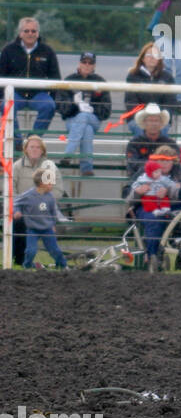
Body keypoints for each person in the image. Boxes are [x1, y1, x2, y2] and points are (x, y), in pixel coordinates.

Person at [0, 16, 60, 141]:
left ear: (38, 34)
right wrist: (2, 96)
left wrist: (52, 97)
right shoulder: (8, 50)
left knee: (49, 106)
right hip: (15, 93)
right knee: (5, 105)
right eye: (26, 31)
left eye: (33, 31)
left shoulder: (48, 51)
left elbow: (55, 77)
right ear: (20, 33)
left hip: (38, 94)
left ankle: (32, 140)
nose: (30, 34)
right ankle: (17, 141)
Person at [56, 51, 112, 175]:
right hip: (72, 120)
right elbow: (61, 108)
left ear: (94, 66)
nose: (87, 65)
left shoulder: (100, 81)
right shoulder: (69, 80)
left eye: (90, 63)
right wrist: (74, 104)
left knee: (84, 116)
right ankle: (87, 168)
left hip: (94, 119)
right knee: (86, 129)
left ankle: (68, 154)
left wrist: (93, 108)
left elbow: (106, 111)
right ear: (79, 63)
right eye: (84, 62)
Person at [11, 135, 61, 265]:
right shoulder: (16, 166)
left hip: (43, 208)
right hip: (21, 207)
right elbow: (10, 189)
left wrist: (44, 201)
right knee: (18, 221)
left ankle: (59, 262)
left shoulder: (50, 167)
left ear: (43, 150)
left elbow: (58, 189)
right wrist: (18, 206)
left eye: (38, 147)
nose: (34, 150)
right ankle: (19, 258)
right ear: (25, 149)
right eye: (31, 147)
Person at [128, 152, 181, 272]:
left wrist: (168, 192)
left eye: (168, 160)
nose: (164, 164)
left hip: (170, 206)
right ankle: (153, 255)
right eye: (161, 160)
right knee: (155, 220)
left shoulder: (178, 174)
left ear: (173, 162)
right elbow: (127, 195)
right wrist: (139, 192)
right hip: (145, 206)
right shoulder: (142, 175)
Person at [13, 167, 67, 269]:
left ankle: (63, 265)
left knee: (55, 250)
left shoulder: (50, 197)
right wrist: (17, 211)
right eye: (50, 183)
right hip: (32, 229)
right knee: (30, 251)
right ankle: (27, 265)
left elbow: (52, 212)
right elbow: (16, 203)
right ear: (42, 183)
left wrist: (53, 224)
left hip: (47, 229)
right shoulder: (28, 195)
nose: (52, 185)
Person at [125, 43, 181, 133]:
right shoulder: (133, 76)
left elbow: (170, 102)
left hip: (161, 120)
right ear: (142, 58)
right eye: (148, 55)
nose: (152, 57)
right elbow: (130, 102)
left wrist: (157, 118)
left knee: (161, 133)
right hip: (138, 119)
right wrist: (145, 118)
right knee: (141, 132)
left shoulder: (167, 77)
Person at [124, 103, 172, 187]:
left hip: (164, 184)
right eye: (150, 120)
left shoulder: (170, 143)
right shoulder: (134, 143)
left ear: (161, 123)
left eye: (156, 120)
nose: (153, 124)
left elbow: (175, 162)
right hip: (141, 182)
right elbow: (132, 163)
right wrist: (157, 166)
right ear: (144, 122)